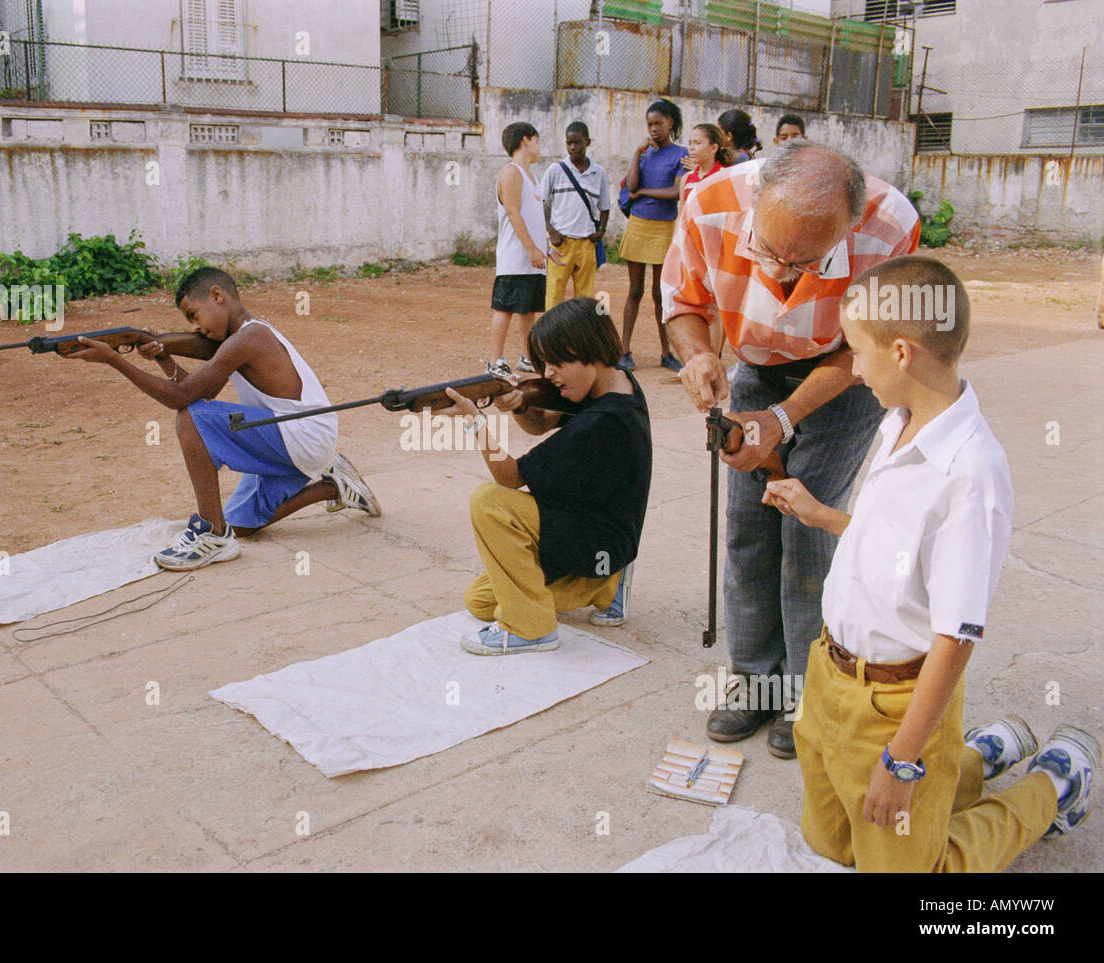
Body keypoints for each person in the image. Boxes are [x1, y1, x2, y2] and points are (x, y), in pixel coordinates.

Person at [763, 255, 1097, 871]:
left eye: (856, 352)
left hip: (896, 704)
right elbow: (896, 546)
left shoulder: (970, 473)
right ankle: (968, 762)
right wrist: (824, 515)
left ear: (900, 352)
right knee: (830, 845)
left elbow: (957, 632)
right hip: (830, 675)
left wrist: (903, 760)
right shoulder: (899, 423)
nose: (853, 370)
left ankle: (1050, 788)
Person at [662, 140, 921, 758]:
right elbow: (684, 305)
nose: (779, 272)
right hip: (755, 367)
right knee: (750, 522)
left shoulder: (891, 227)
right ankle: (754, 679)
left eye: (803, 261)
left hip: (845, 377)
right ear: (756, 202)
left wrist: (783, 417)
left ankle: (811, 692)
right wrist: (699, 354)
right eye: (769, 251)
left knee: (807, 523)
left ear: (851, 226)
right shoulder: (708, 202)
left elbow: (866, 352)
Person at [67, 266, 380, 570]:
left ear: (216, 295)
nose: (196, 326)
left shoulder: (249, 337)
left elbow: (183, 399)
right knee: (240, 523)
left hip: (300, 435)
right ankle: (335, 485)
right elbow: (201, 391)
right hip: (301, 438)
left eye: (193, 315)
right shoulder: (242, 337)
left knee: (190, 417)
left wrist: (114, 360)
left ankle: (212, 534)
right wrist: (163, 355)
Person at [444, 298, 652, 654]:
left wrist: (475, 422)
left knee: (491, 502)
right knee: (480, 602)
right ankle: (607, 584)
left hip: (593, 536)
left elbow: (510, 478)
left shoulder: (601, 423)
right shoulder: (615, 383)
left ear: (591, 350)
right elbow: (540, 424)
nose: (550, 374)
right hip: (588, 529)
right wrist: (519, 403)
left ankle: (531, 627)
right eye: (544, 364)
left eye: (558, 363)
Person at [618, 99, 690, 375]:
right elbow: (631, 184)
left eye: (658, 123)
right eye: (650, 124)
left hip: (662, 228)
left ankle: (666, 353)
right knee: (634, 291)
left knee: (661, 294)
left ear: (670, 123)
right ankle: (625, 352)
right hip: (639, 225)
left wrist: (643, 194)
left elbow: (675, 193)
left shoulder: (681, 155)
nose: (654, 129)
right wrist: (637, 154)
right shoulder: (645, 153)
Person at [489, 121, 561, 380]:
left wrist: (546, 249)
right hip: (514, 258)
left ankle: (527, 358)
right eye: (537, 141)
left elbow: (535, 218)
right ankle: (495, 361)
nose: (539, 147)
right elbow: (512, 212)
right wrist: (530, 248)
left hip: (533, 260)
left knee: (528, 310)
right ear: (525, 140)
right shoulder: (511, 173)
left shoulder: (532, 177)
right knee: (504, 308)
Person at [542, 121, 611, 311]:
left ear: (587, 142)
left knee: (585, 299)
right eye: (568, 143)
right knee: (554, 296)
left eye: (577, 143)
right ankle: (551, 339)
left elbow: (605, 207)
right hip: (561, 244)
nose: (572, 147)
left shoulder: (599, 173)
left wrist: (601, 231)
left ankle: (579, 338)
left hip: (587, 244)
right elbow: (537, 203)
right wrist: (550, 231)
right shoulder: (555, 170)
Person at [675, 122, 733, 209]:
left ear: (714, 148)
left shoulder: (725, 176)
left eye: (697, 143)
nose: (691, 147)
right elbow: (681, 214)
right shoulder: (687, 178)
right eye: (690, 143)